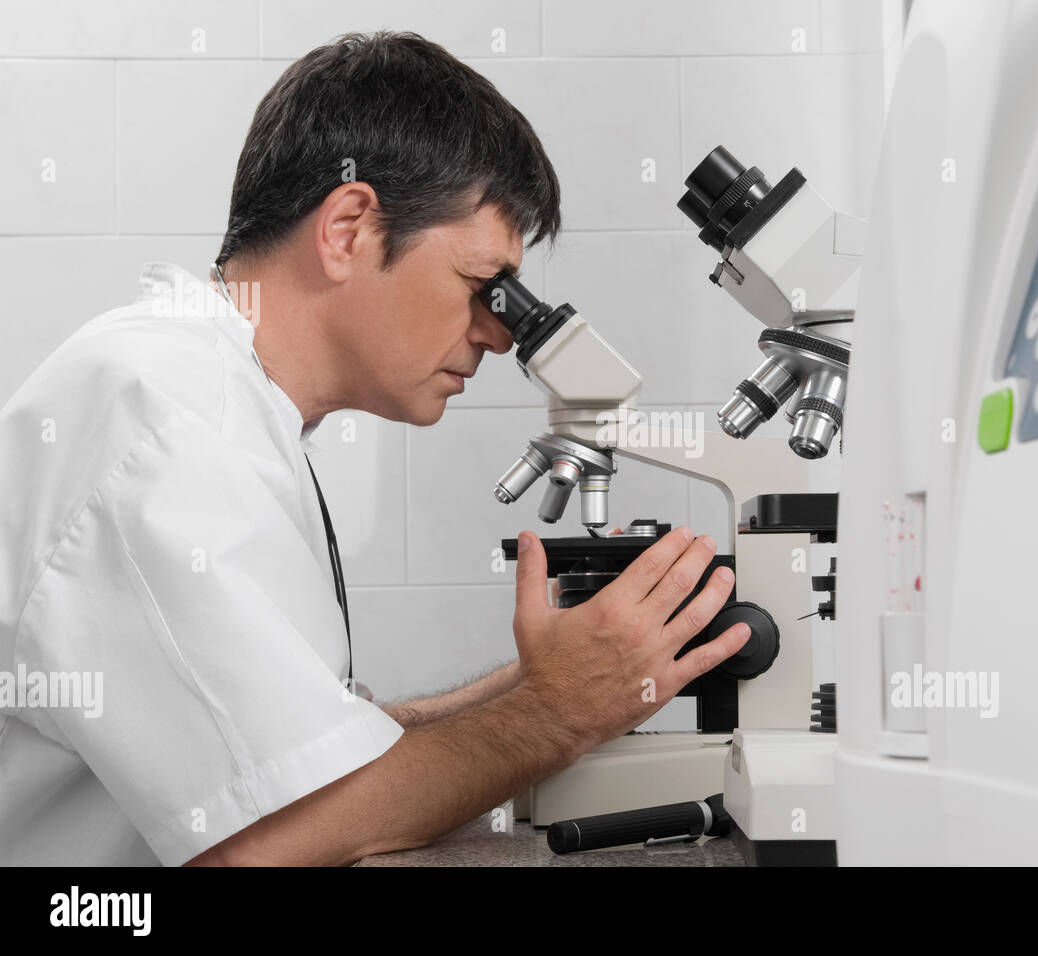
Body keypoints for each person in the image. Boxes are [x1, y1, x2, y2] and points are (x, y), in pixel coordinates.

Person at [0, 31, 750, 866]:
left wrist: (555, 682)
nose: (499, 335)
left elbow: (299, 761)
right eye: (482, 286)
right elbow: (264, 840)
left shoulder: (230, 409)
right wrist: (558, 714)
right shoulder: (163, 421)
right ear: (350, 227)